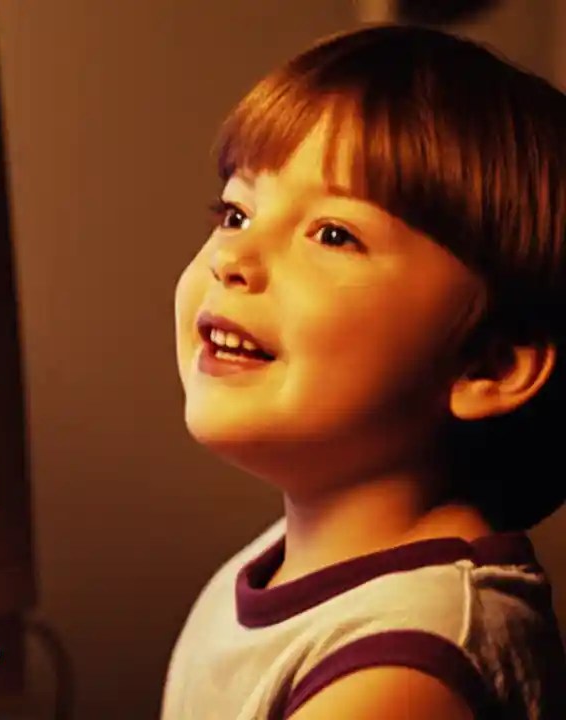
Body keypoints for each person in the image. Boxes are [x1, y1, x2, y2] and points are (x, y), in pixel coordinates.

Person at [163, 24, 566, 719]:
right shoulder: (286, 559)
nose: (234, 258)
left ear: (488, 365)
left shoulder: (396, 679)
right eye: (236, 211)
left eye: (333, 234)